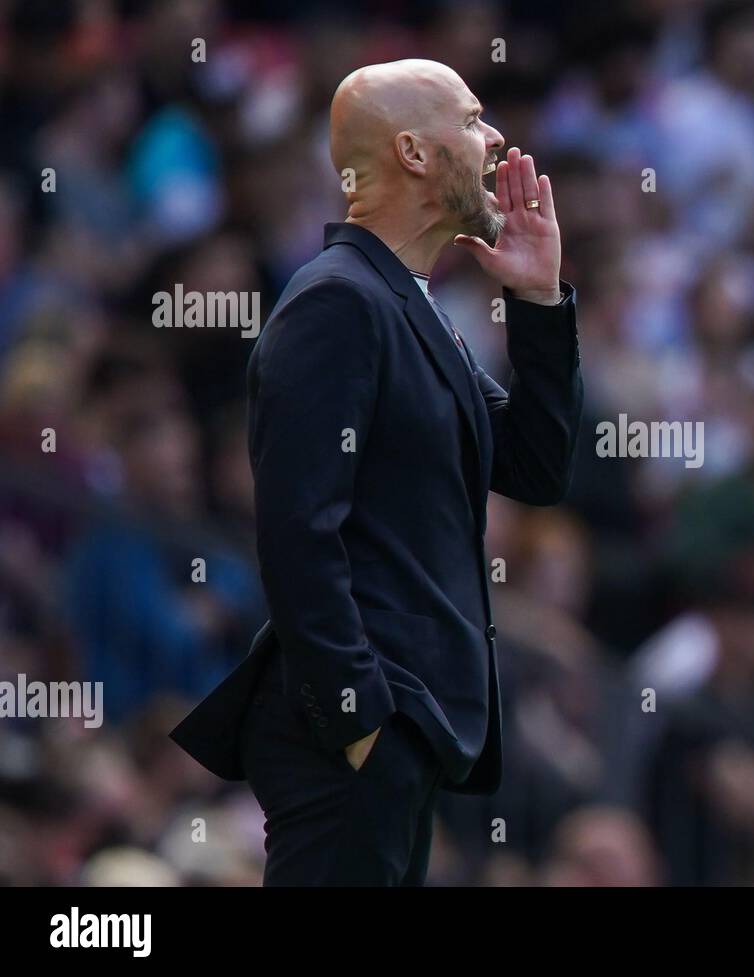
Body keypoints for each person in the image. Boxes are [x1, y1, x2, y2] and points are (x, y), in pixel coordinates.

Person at [169, 59, 584, 885]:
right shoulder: (340, 302)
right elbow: (297, 530)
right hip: (356, 725)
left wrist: (537, 302)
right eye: (470, 120)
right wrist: (359, 716)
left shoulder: (406, 304)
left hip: (405, 727)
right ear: (415, 153)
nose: (495, 137)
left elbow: (535, 466)